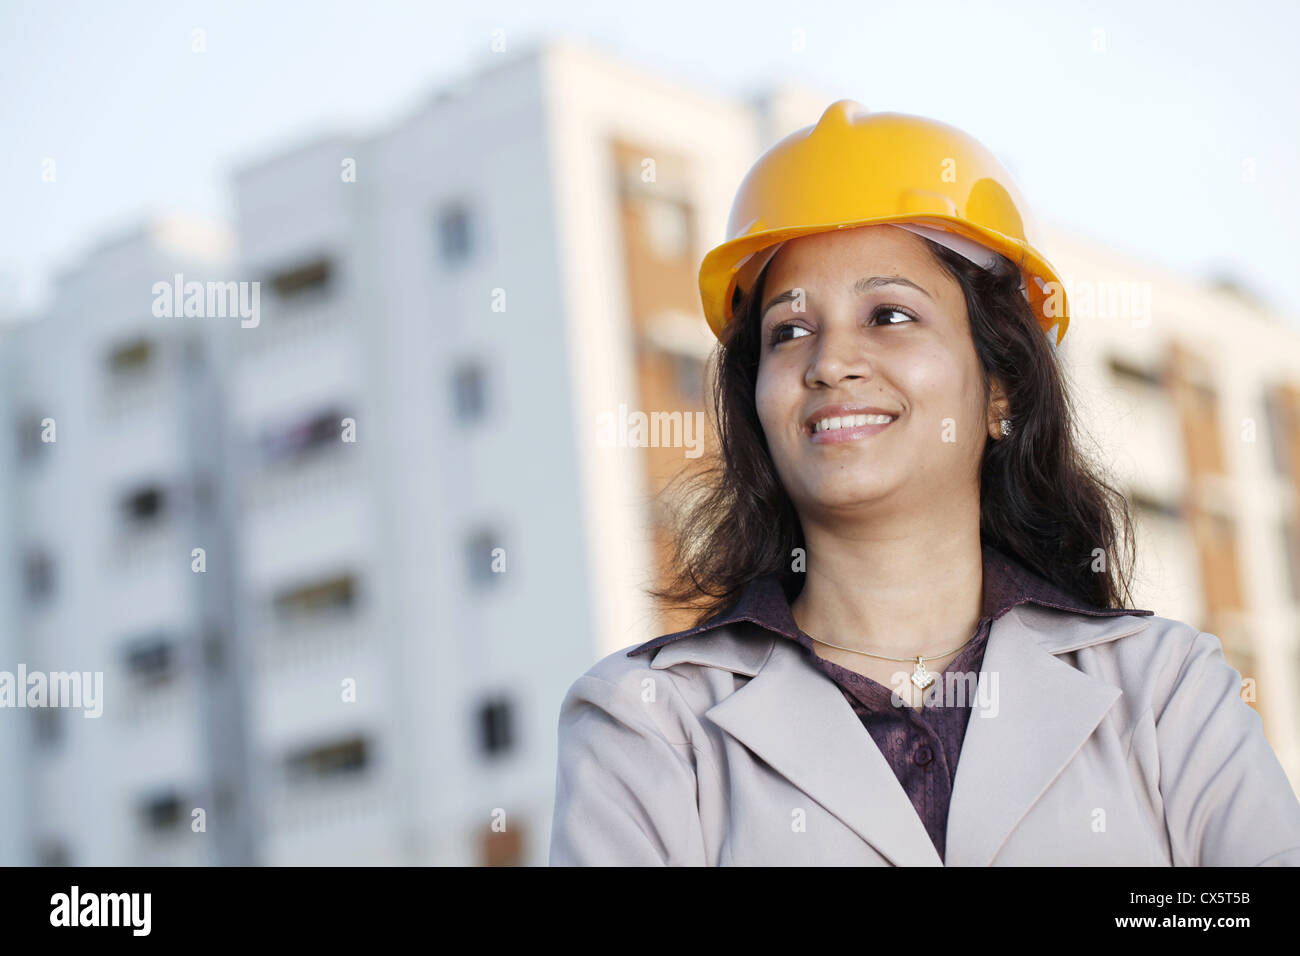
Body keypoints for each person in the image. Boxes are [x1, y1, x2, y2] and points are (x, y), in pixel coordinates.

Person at [548, 101, 1300, 866]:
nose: (830, 362)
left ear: (1001, 385)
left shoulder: (1167, 692)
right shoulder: (647, 726)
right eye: (790, 330)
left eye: (889, 315)